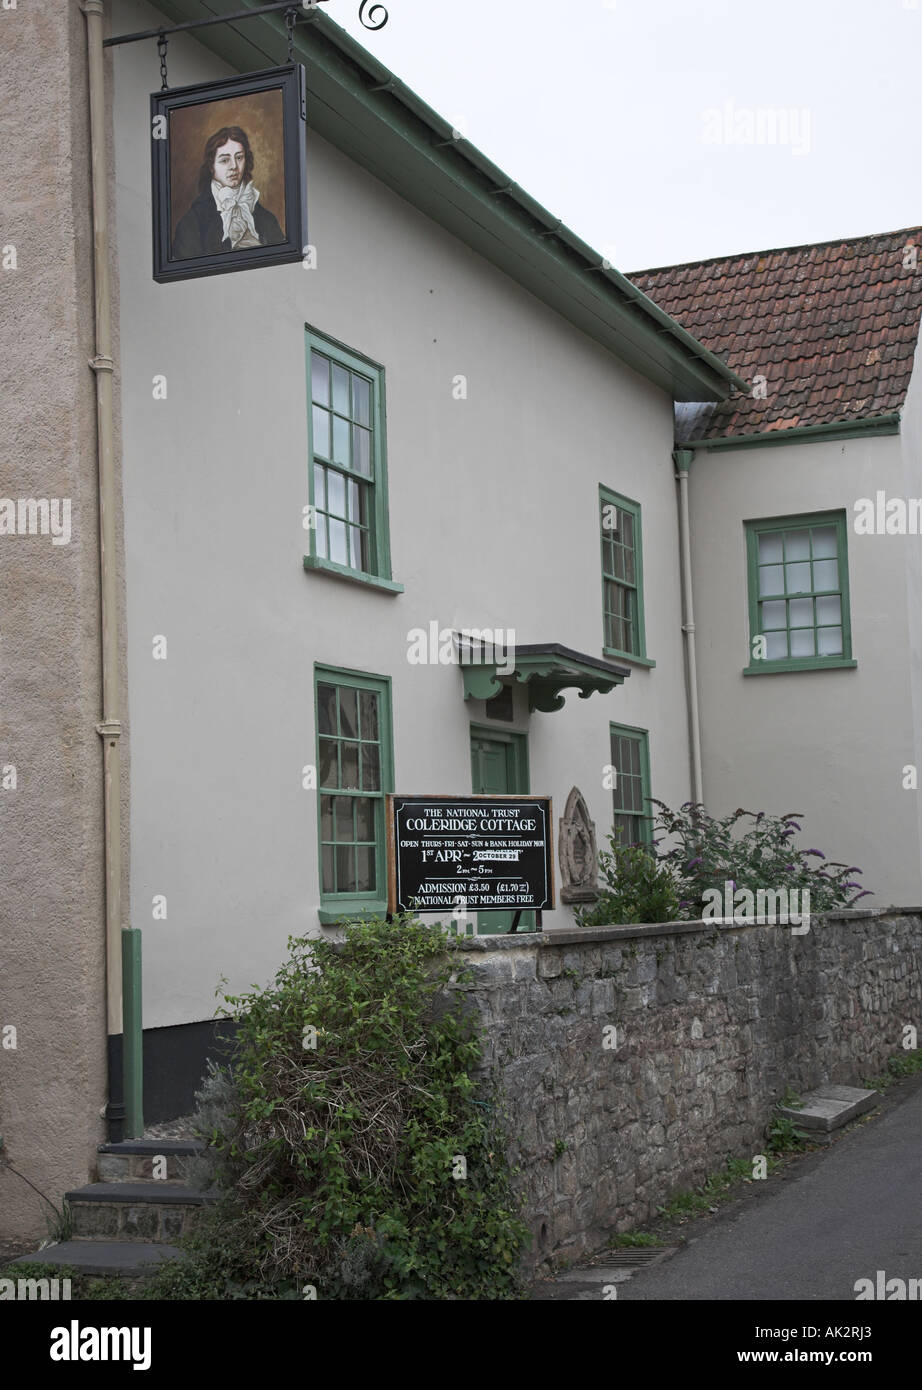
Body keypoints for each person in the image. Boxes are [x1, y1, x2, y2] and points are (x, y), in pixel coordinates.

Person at [171, 125, 285, 259]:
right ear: (211, 166)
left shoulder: (266, 219)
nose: (234, 167)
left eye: (239, 158)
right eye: (225, 160)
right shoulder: (192, 223)